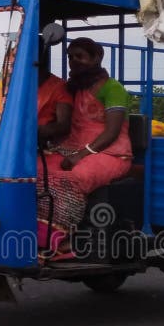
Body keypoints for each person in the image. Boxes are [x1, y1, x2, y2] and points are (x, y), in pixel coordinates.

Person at [36, 37, 133, 256]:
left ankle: (66, 239)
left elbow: (112, 132)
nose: (73, 61)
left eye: (79, 56)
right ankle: (38, 233)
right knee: (35, 169)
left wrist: (81, 155)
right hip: (74, 147)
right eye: (70, 57)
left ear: (97, 57)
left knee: (70, 179)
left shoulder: (113, 88)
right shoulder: (74, 88)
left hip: (111, 153)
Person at [36, 45, 73, 147]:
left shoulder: (60, 87)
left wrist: (33, 130)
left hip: (40, 144)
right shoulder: (11, 85)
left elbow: (64, 126)